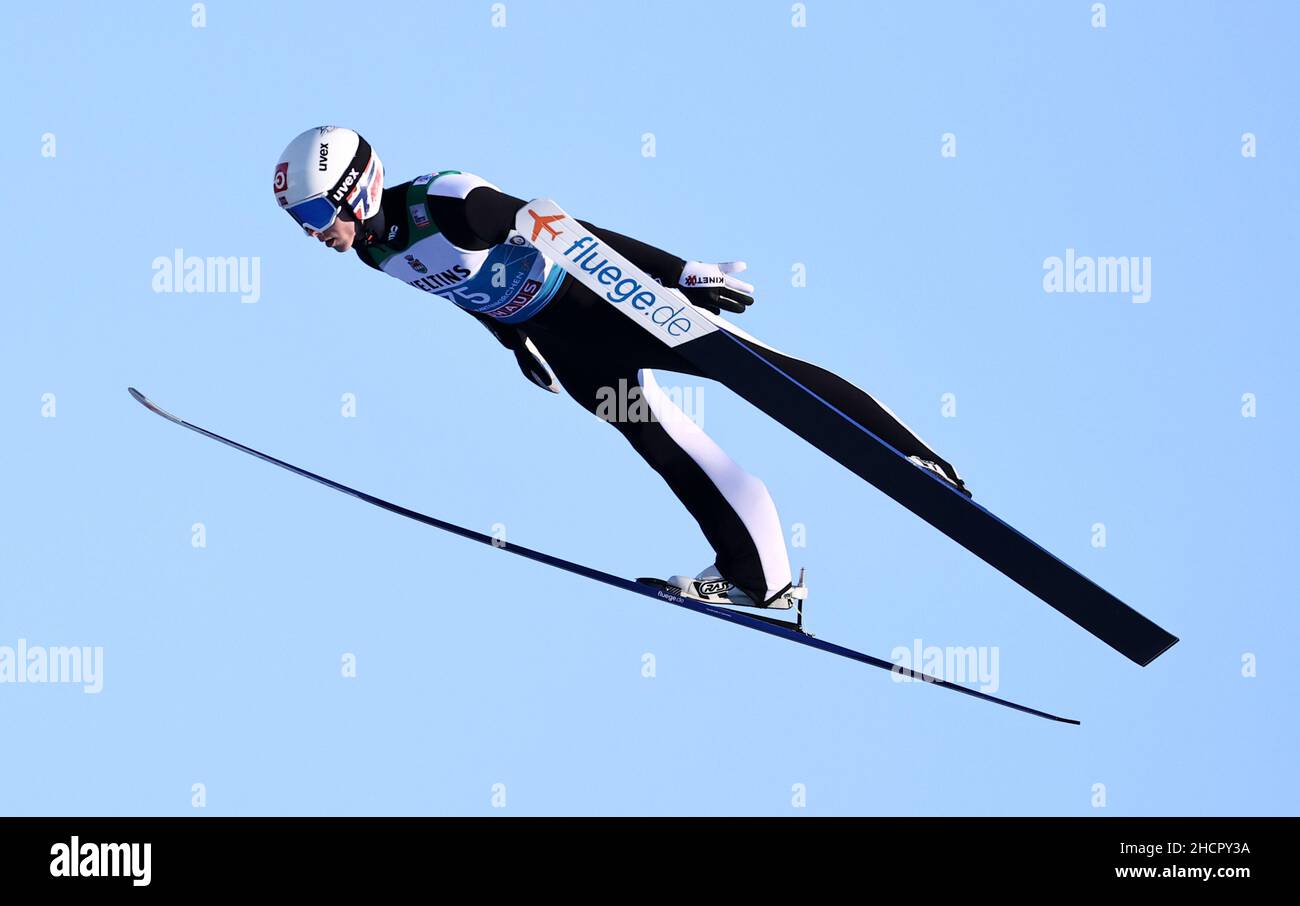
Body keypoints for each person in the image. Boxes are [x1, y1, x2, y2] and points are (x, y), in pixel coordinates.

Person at [273, 126, 967, 610]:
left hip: (604, 306)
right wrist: (515, 345)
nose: (311, 233)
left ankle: (913, 457)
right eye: (297, 221)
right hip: (565, 345)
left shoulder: (444, 201)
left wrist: (680, 275)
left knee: (757, 373)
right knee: (662, 445)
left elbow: (561, 227)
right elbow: (464, 293)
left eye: (311, 211)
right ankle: (760, 578)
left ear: (353, 188)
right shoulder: (373, 254)